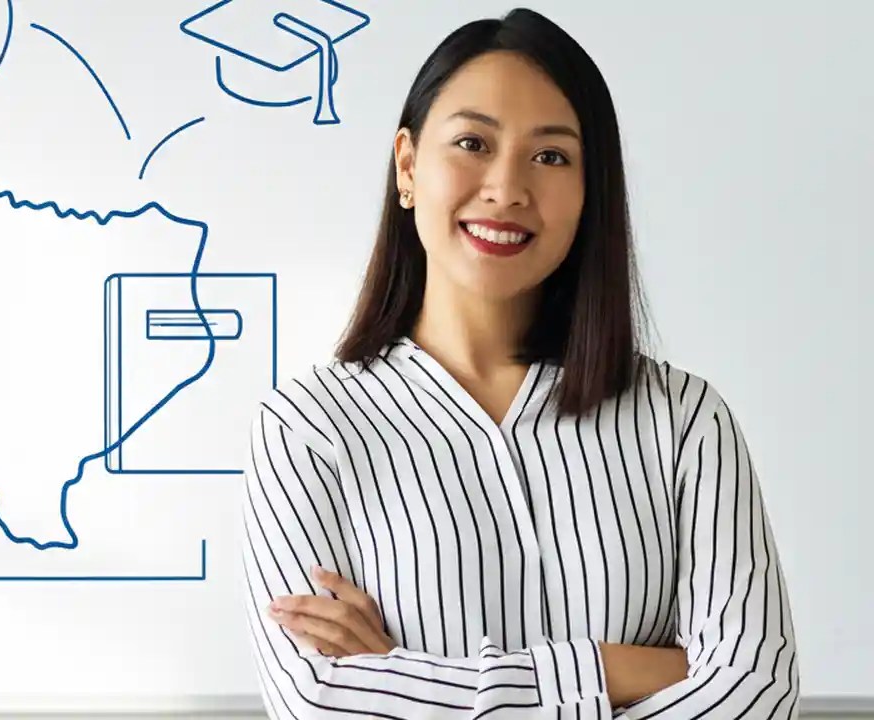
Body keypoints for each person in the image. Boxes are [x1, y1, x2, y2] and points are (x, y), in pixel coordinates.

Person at [240, 7, 799, 718]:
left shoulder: (685, 422)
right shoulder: (306, 429)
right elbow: (315, 699)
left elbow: (757, 693)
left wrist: (406, 674)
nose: (506, 187)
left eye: (552, 155)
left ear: (591, 190)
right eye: (473, 142)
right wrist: (628, 669)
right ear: (408, 167)